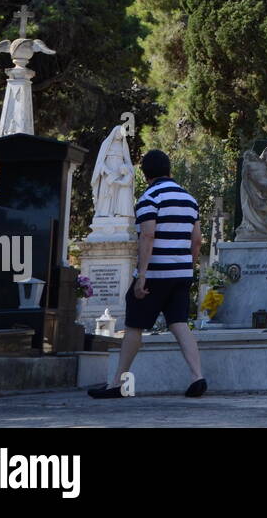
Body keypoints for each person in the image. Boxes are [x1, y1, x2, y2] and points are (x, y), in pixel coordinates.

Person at [88, 149, 206, 398]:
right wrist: (188, 266)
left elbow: (148, 235)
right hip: (181, 273)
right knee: (179, 323)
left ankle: (117, 384)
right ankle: (198, 376)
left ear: (145, 174)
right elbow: (197, 241)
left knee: (134, 326)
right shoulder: (189, 199)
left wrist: (142, 275)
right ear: (169, 170)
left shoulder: (149, 198)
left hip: (155, 274)